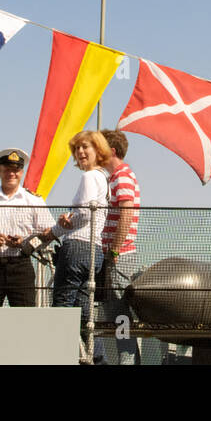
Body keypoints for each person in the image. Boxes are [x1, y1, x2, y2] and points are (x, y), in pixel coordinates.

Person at [44, 130, 111, 322]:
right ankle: (93, 352)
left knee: (62, 305)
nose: (80, 152)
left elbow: (84, 212)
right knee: (83, 310)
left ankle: (59, 350)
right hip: (94, 251)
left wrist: (58, 228)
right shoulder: (104, 178)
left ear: (98, 150)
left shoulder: (89, 177)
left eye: (85, 147)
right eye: (77, 148)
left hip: (77, 247)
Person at [0, 149, 53, 307]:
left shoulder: (33, 200)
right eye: (7, 169)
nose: (11, 173)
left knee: (24, 323)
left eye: (15, 170)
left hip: (21, 266)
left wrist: (26, 244)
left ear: (22, 172)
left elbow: (50, 234)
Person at [98, 129, 141, 365]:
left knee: (121, 318)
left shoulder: (121, 176)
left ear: (111, 151)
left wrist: (113, 251)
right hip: (115, 256)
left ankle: (126, 361)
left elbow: (126, 214)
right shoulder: (116, 177)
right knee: (117, 319)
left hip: (119, 257)